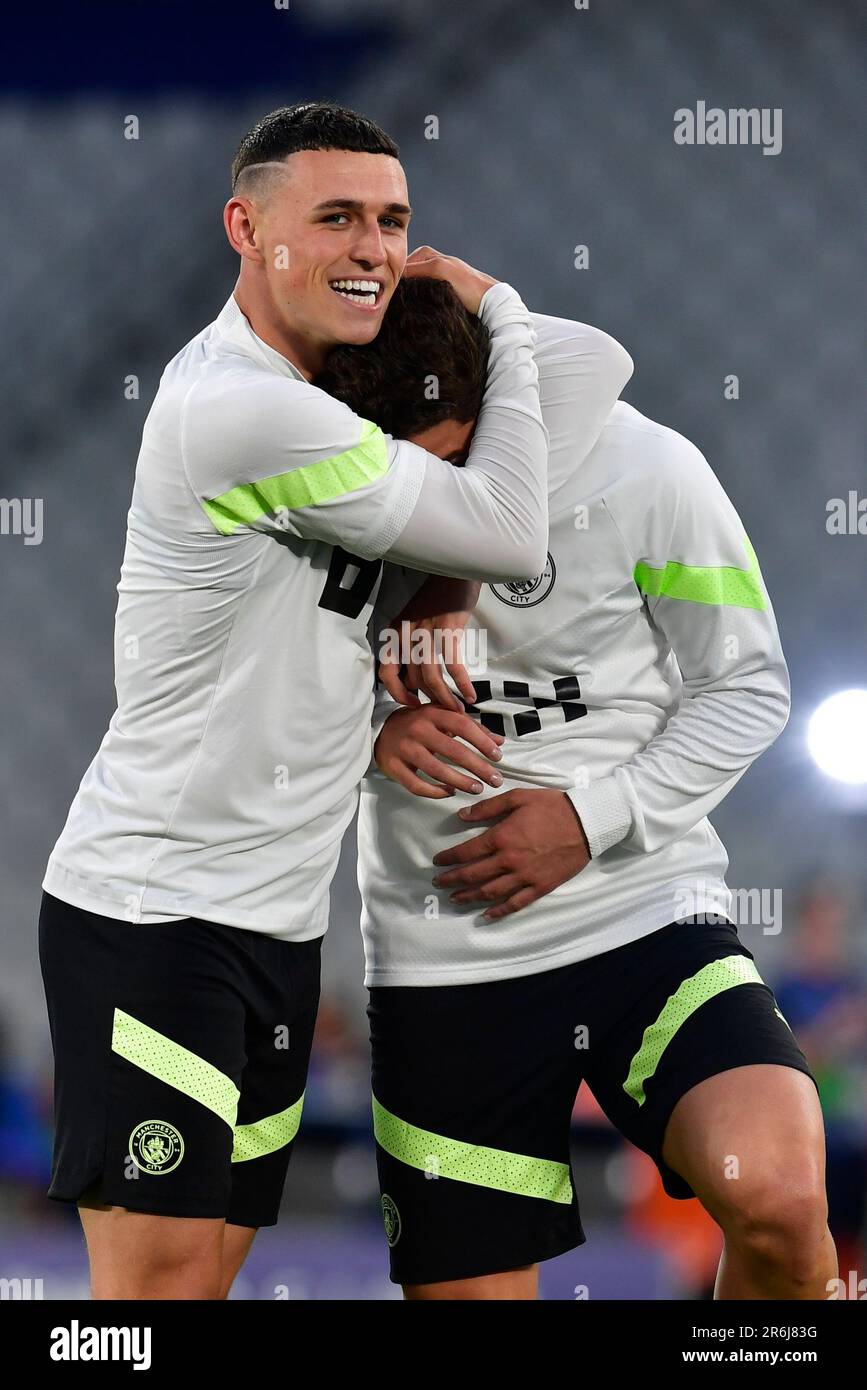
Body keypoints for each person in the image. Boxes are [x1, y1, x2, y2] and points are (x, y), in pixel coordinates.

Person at [38, 101, 632, 1301]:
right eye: (339, 218)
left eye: (395, 221)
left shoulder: (346, 383)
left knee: (199, 1284)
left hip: (275, 932)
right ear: (246, 228)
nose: (374, 247)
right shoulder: (242, 408)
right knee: (143, 1309)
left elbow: (599, 366)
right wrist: (496, 307)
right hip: (157, 917)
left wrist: (390, 681)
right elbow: (514, 522)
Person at [318, 276, 835, 1300]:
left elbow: (747, 684)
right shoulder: (324, 490)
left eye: (459, 466)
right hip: (445, 961)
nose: (432, 508)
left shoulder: (648, 470)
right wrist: (370, 732)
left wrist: (589, 819)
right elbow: (242, 715)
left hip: (645, 919)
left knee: (778, 1199)